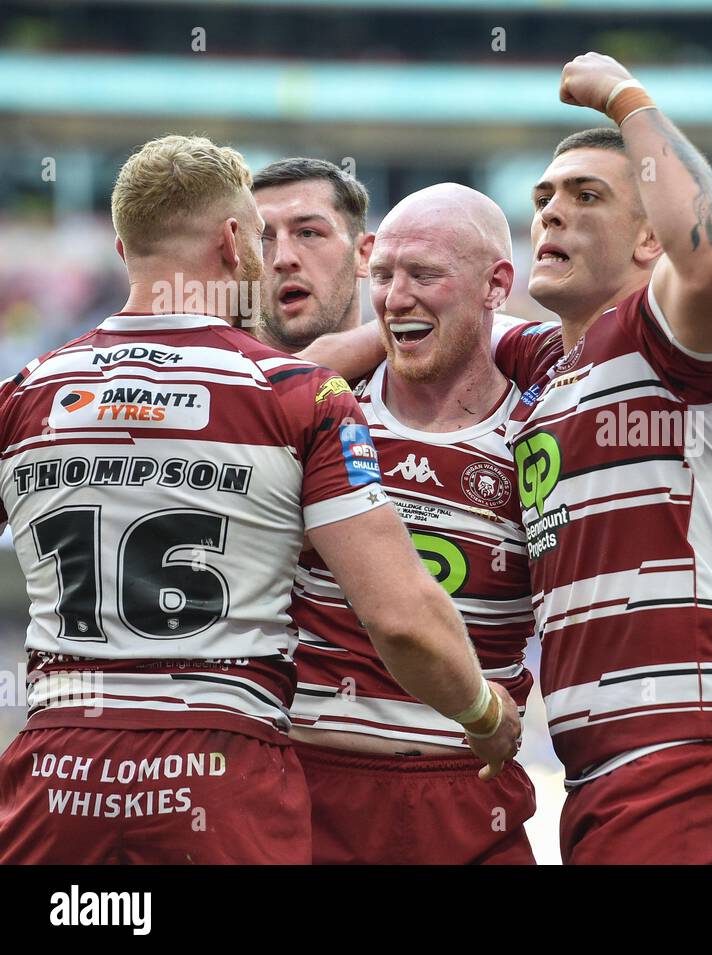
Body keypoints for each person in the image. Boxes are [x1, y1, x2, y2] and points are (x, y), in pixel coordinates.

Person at [0, 135, 519, 864]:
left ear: (123, 249)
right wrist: (484, 712)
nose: (275, 258)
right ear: (231, 240)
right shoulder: (298, 396)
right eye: (262, 234)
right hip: (217, 769)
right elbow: (401, 616)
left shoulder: (26, 393)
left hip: (57, 773)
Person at [512, 53, 712, 864]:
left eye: (586, 196)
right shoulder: (543, 364)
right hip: (598, 779)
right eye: (544, 198)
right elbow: (429, 326)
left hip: (684, 765)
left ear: (650, 240)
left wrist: (626, 101)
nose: (552, 213)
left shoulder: (661, 336)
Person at [286, 183, 547, 863]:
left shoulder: (543, 431)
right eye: (383, 275)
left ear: (496, 285)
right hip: (312, 790)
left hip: (468, 791)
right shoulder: (322, 408)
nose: (396, 297)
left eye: (425, 275)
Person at [253, 158, 374, 352]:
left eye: (308, 233)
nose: (283, 259)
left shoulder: (413, 367)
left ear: (362, 253)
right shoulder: (208, 368)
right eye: (262, 240)